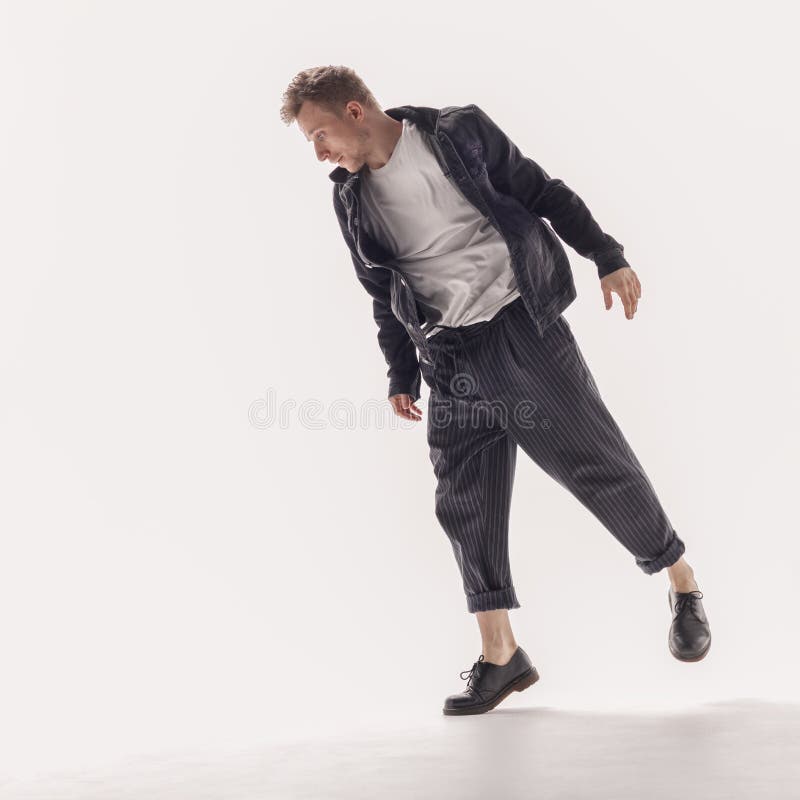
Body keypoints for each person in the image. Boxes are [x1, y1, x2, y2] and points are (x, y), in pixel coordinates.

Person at [280, 65, 712, 716]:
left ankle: (680, 580)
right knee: (464, 501)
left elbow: (542, 191)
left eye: (319, 135)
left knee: (593, 465)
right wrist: (401, 374)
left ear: (354, 112)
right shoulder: (350, 199)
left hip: (519, 329)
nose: (319, 154)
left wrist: (608, 255)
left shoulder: (457, 133)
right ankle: (501, 654)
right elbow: (382, 293)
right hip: (446, 355)